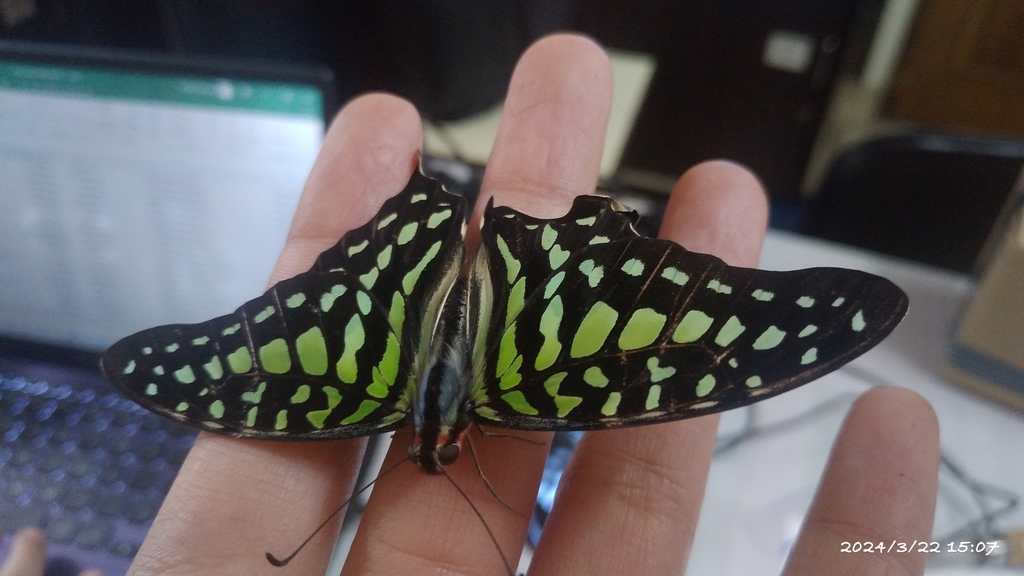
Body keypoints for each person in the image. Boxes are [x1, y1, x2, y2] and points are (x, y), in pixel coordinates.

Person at [1, 33, 939, 576]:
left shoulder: (348, 396)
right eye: (446, 449)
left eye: (437, 448)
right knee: (650, 373)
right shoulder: (516, 395)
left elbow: (243, 370)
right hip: (532, 336)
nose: (440, 451)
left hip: (411, 304)